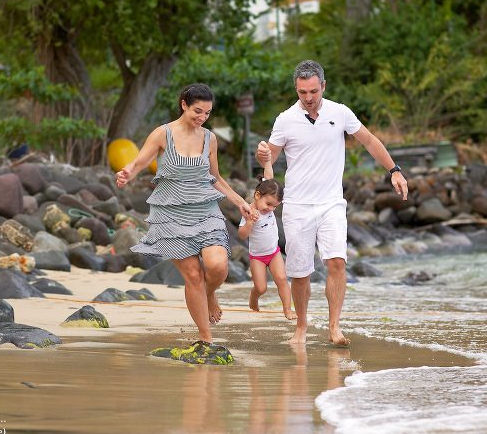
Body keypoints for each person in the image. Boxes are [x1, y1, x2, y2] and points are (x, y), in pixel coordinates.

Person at [256, 60, 408, 345]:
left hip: (331, 203)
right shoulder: (285, 119)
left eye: (313, 91)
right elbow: (270, 159)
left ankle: (334, 328)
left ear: (323, 86)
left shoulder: (340, 112)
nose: (309, 97)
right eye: (302, 92)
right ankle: (301, 327)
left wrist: (394, 170)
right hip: (298, 206)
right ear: (296, 89)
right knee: (300, 273)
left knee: (337, 262)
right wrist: (263, 157)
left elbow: (370, 141)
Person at [116, 83, 252, 344]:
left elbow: (214, 176)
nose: (202, 118)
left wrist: (239, 202)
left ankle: (208, 293)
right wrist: (127, 174)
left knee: (218, 267)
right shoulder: (162, 134)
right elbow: (140, 162)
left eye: (207, 113)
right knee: (192, 276)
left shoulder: (209, 138)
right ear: (184, 105)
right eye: (197, 111)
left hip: (205, 210)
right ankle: (205, 338)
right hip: (171, 213)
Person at [237, 153, 296, 320]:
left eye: (275, 207)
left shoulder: (268, 191)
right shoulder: (249, 211)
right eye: (268, 204)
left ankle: (287, 310)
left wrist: (268, 160)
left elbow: (268, 175)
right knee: (261, 287)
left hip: (274, 252)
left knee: (282, 279)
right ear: (257, 195)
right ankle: (253, 298)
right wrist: (249, 223)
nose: (270, 209)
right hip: (257, 257)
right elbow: (241, 235)